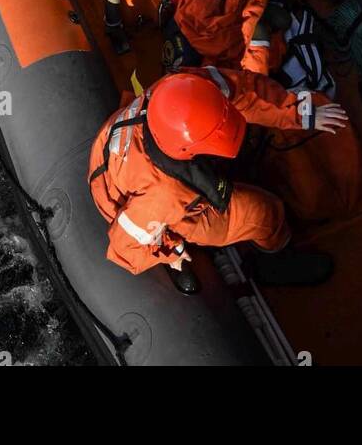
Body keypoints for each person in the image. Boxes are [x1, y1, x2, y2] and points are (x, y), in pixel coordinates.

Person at [88, 64, 348, 290]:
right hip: (138, 201)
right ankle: (276, 261)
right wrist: (170, 253)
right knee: (265, 212)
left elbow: (243, 89)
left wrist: (299, 113)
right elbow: (124, 246)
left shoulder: (186, 89)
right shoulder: (164, 194)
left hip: (119, 157)